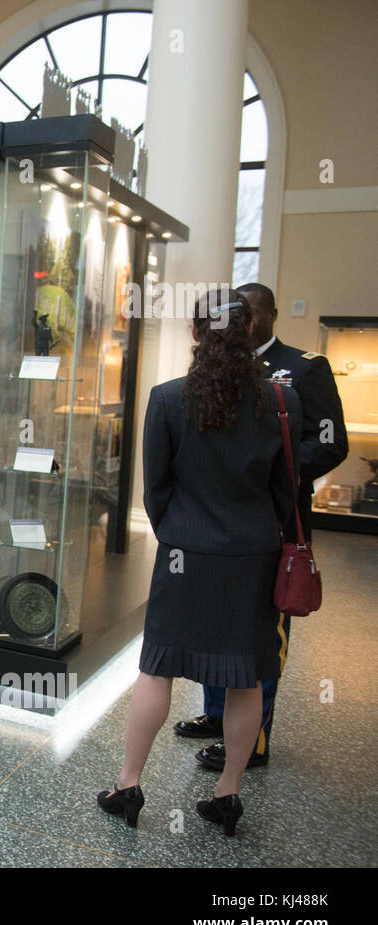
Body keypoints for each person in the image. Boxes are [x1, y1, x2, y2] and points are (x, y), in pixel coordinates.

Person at [97, 289, 300, 837]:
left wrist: (179, 536)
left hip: (186, 553)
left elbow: (154, 489)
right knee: (246, 675)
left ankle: (129, 784)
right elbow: (287, 491)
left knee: (157, 667)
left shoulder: (167, 399)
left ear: (194, 332)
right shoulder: (279, 401)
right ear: (248, 330)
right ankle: (228, 793)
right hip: (252, 556)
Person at [176, 282, 348, 771]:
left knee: (259, 633)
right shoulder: (210, 369)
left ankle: (253, 740)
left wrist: (270, 473)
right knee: (214, 624)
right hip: (214, 526)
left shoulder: (305, 368)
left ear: (266, 316)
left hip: (272, 521)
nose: (240, 321)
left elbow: (330, 443)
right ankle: (216, 715)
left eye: (248, 312)